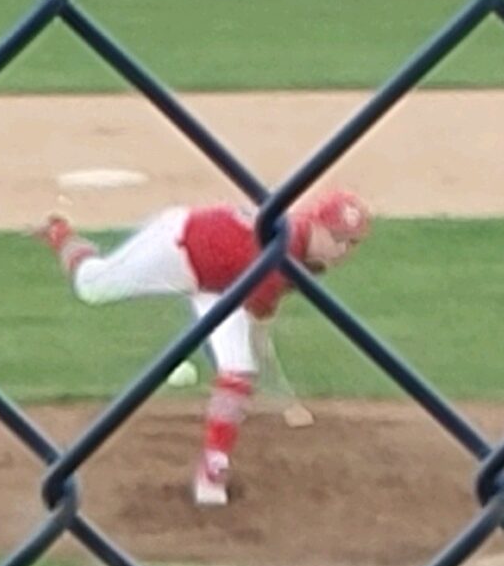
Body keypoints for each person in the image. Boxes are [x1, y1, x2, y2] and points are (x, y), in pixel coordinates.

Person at [33, 191, 369, 507]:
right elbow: (258, 333)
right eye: (336, 237)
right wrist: (284, 399)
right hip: (175, 248)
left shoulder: (304, 257)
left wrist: (277, 396)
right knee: (92, 286)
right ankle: (60, 233)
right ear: (314, 223)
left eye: (351, 243)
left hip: (221, 284)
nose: (343, 250)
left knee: (238, 369)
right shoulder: (280, 258)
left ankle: (212, 471)